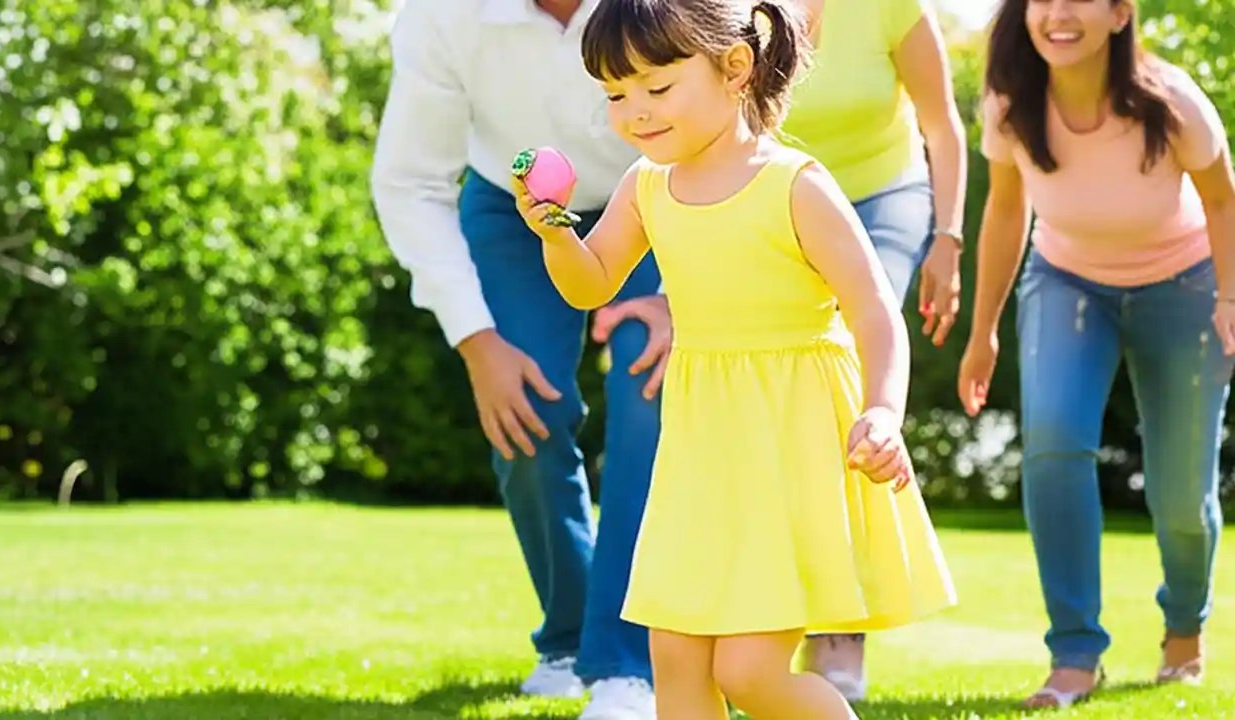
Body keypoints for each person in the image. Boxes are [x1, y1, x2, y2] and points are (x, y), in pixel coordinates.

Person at [512, 0, 958, 717]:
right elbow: (590, 283)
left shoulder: (795, 184)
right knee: (676, 655)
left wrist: (882, 410)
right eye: (616, 95)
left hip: (790, 443)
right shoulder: (647, 185)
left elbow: (874, 310)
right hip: (701, 450)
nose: (636, 111)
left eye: (658, 87)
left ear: (735, 67)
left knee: (749, 671)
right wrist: (556, 234)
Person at [371, 1, 669, 717]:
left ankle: (630, 663)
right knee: (525, 410)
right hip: (515, 211)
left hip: (667, 193)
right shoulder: (441, 15)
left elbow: (745, 113)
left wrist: (685, 291)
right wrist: (476, 341)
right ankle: (568, 638)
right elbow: (411, 182)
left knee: (649, 393)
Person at [961, 0, 1235, 709]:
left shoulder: (1170, 100)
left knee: (1181, 493)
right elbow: (1005, 208)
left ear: (1119, 14)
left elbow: (1222, 199)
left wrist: (1230, 298)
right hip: (1066, 280)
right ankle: (1075, 655)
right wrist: (984, 331)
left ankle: (1184, 630)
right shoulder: (1010, 103)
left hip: (1185, 284)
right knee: (1052, 442)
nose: (1057, 14)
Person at [780, 0, 969, 698]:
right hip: (777, 200)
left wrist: (948, 239)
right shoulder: (730, 10)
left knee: (850, 359)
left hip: (882, 196)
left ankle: (839, 623)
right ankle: (769, 606)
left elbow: (942, 125)